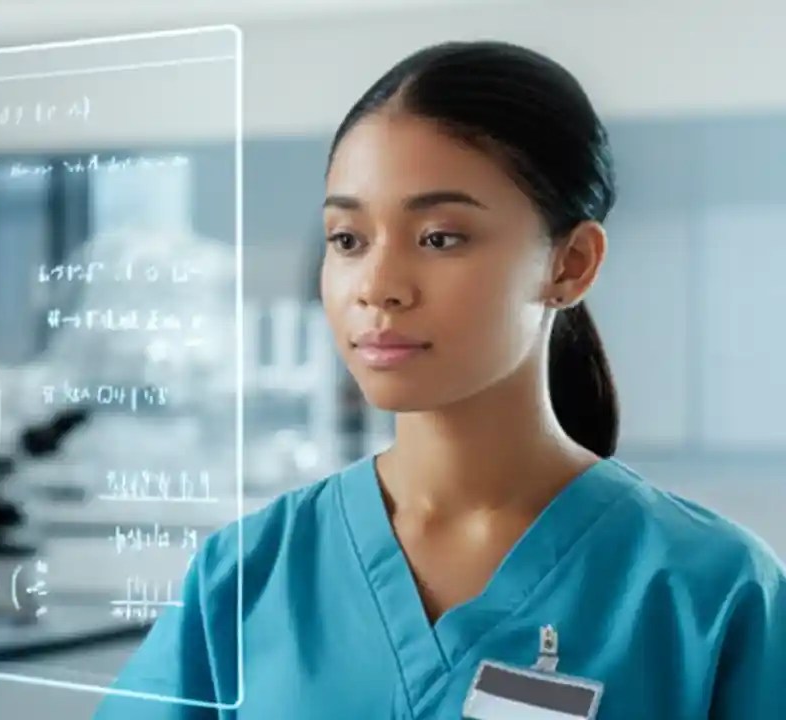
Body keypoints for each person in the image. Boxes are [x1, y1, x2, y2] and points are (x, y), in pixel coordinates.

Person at [93, 40, 786, 718]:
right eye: (348, 240)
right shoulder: (249, 575)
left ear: (570, 264)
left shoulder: (709, 592)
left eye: (439, 238)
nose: (378, 287)